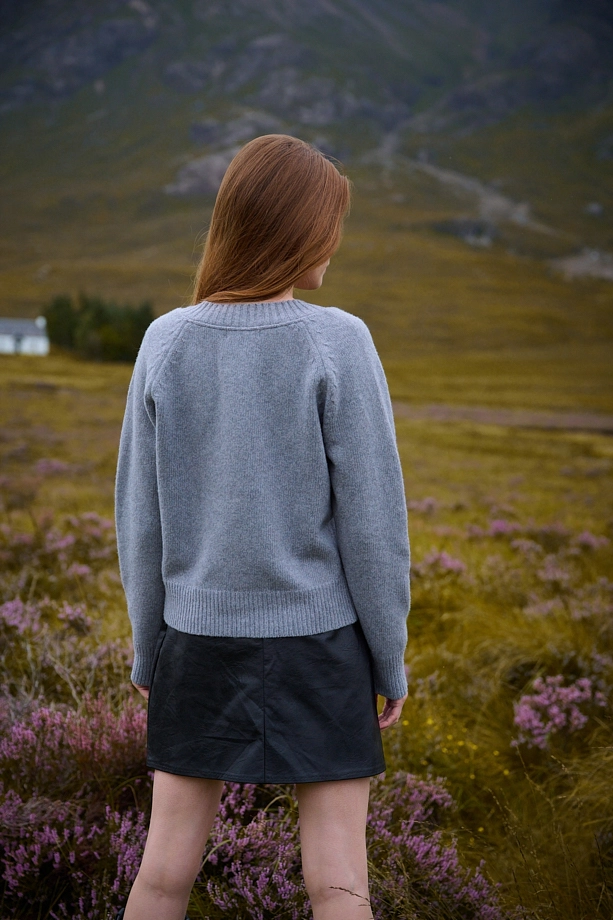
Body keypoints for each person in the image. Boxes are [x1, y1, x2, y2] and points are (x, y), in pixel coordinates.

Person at [114, 134, 411, 920]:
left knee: (162, 875)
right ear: (290, 230)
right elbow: (374, 525)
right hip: (321, 645)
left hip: (196, 642)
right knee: (339, 881)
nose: (332, 246)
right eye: (326, 226)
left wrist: (152, 646)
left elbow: (139, 523)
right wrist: (389, 657)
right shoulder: (337, 340)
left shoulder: (164, 341)